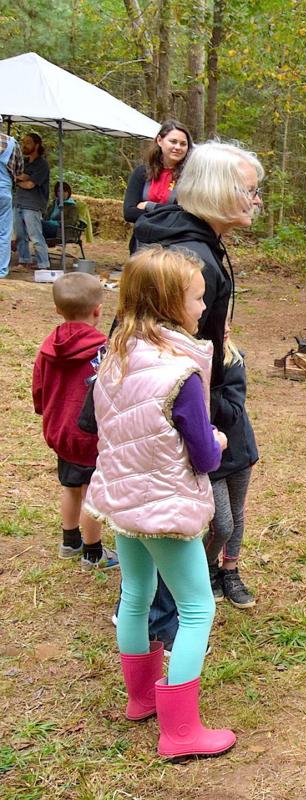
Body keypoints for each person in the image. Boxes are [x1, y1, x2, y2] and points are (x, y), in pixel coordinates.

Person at [85, 246, 235, 760]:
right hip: (165, 508)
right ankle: (180, 732)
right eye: (197, 298)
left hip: (123, 502)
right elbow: (202, 455)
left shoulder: (115, 357)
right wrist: (215, 441)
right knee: (198, 609)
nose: (204, 307)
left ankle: (141, 699)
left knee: (135, 594)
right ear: (172, 303)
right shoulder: (180, 374)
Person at [127, 140, 264, 649]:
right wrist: (208, 416)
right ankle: (162, 633)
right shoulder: (192, 257)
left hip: (176, 402)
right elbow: (168, 357)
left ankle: (156, 619)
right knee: (174, 513)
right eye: (249, 192)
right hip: (173, 411)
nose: (256, 201)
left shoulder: (192, 237)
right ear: (217, 192)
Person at [32, 272, 119, 569]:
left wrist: (47, 412)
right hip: (90, 435)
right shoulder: (105, 349)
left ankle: (70, 542)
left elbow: (39, 388)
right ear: (98, 310)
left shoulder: (47, 347)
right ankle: (93, 552)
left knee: (70, 486)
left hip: (60, 432)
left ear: (58, 310)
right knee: (91, 493)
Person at [204, 323, 258, 609]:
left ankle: (230, 570)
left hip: (238, 452)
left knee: (235, 515)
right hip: (209, 457)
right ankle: (204, 567)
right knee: (221, 524)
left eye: (225, 321)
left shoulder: (234, 362)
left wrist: (206, 386)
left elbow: (232, 412)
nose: (223, 327)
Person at [124, 120, 192, 253]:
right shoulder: (142, 172)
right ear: (160, 141)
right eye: (173, 141)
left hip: (176, 245)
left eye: (183, 144)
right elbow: (129, 213)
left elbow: (186, 213)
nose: (178, 147)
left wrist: (150, 206)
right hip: (142, 244)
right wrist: (169, 212)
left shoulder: (189, 176)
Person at [13, 132, 50, 271]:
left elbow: (30, 184)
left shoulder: (42, 164)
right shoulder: (24, 162)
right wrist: (20, 178)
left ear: (37, 145)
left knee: (35, 236)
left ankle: (43, 264)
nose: (24, 145)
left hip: (33, 205)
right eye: (23, 142)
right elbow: (21, 176)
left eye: (28, 142)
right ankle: (24, 261)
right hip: (19, 202)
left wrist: (16, 179)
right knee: (20, 235)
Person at [0, 132, 21, 279]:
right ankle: (1, 270)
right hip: (4, 192)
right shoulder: (12, 143)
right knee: (4, 232)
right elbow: (19, 170)